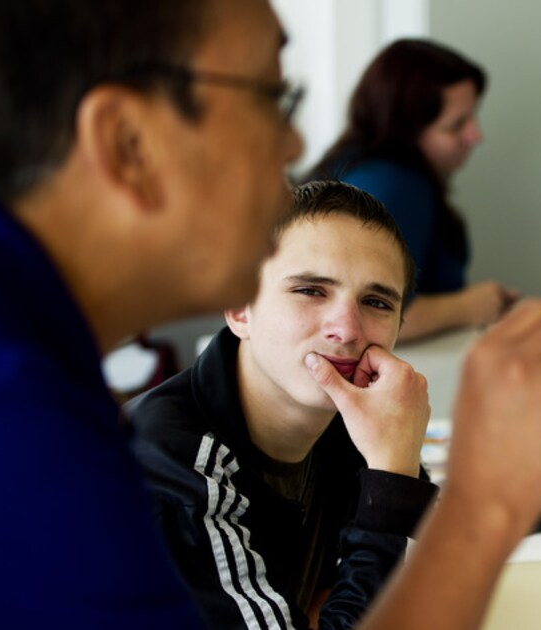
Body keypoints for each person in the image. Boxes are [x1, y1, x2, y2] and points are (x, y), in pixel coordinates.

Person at [0, 1, 541, 628]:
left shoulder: (29, 369)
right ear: (127, 142)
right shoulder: (15, 430)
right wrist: (483, 504)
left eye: (378, 300)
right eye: (272, 97)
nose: (296, 140)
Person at [126, 181, 437, 629]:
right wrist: (390, 475)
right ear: (239, 309)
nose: (347, 330)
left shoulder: (347, 422)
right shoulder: (174, 465)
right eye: (310, 290)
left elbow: (411, 568)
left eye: (375, 302)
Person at [305, 38, 519, 342]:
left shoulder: (360, 167)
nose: (475, 135)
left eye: (473, 115)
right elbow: (367, 315)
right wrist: (470, 305)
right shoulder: (396, 184)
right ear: (405, 130)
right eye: (456, 125)